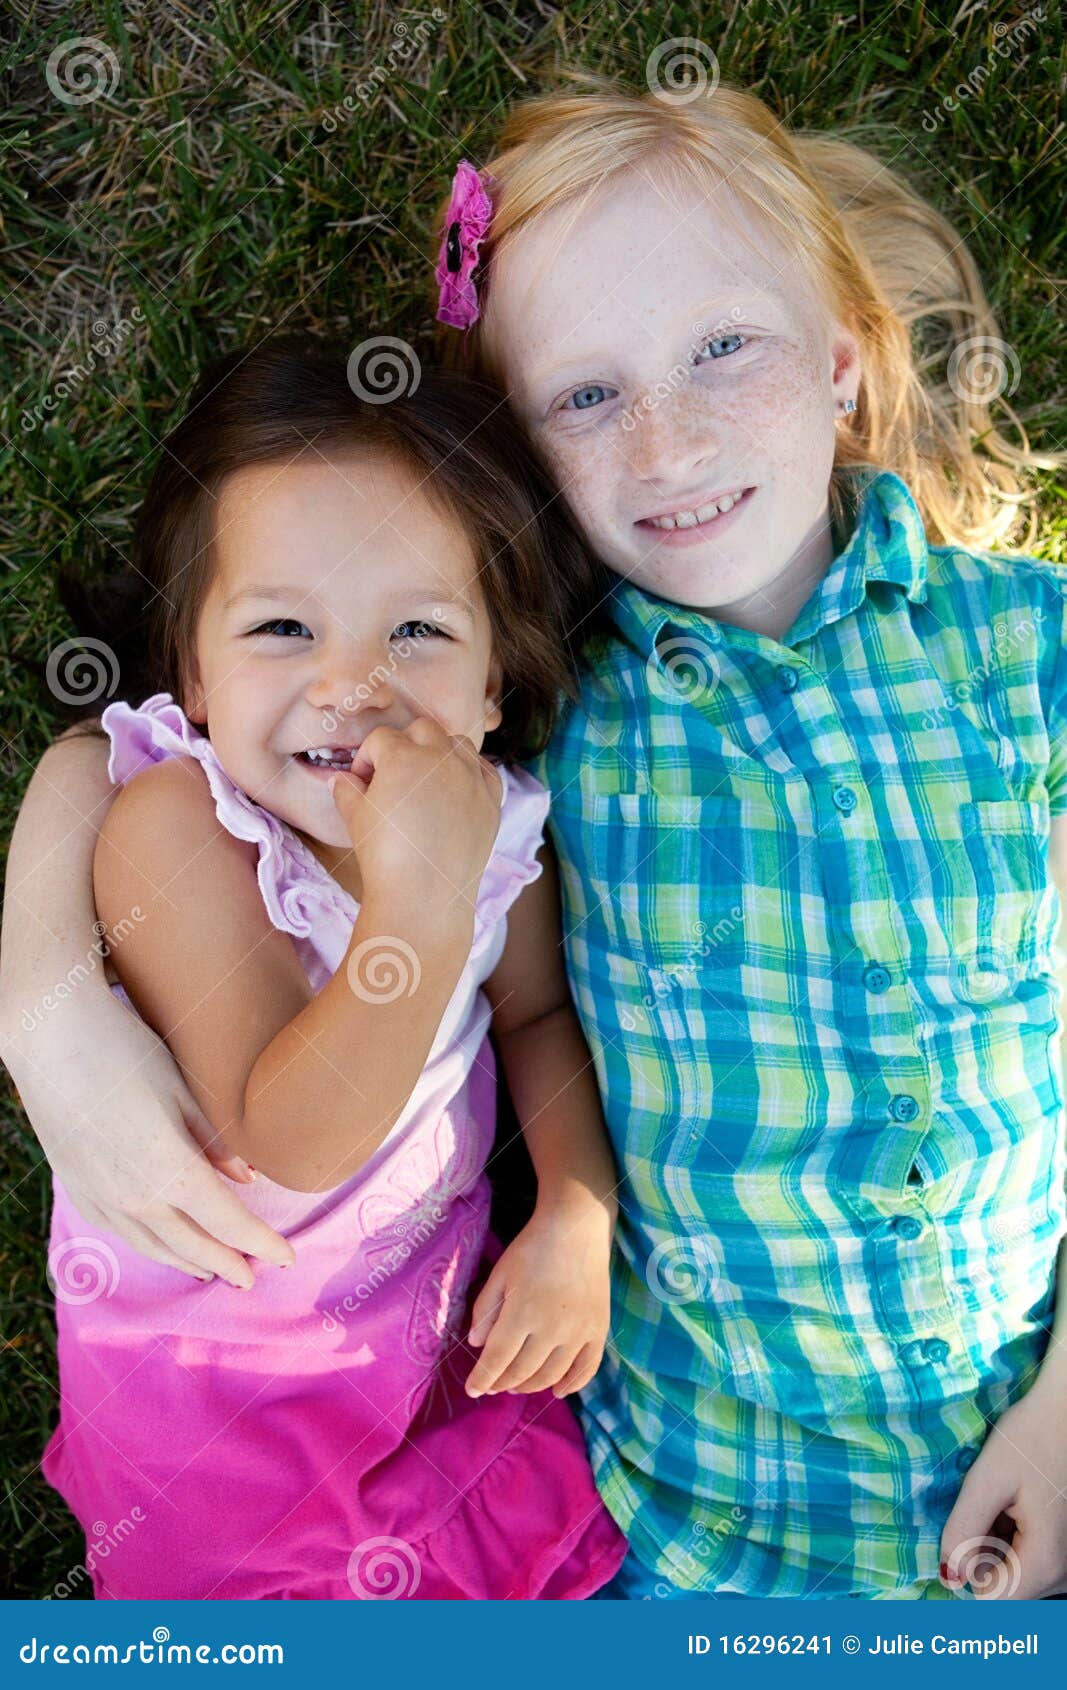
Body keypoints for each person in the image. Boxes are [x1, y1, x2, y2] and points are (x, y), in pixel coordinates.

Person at [6, 68, 1067, 1601]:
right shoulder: (533, 714)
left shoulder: (1027, 655)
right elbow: (130, 753)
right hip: (693, 1531)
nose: (667, 436)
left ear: (841, 363)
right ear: (518, 473)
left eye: (724, 348)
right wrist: (39, 1000)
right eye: (584, 394)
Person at [12, 338, 626, 1600]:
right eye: (284, 627)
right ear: (190, 668)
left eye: (417, 629)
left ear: (496, 682)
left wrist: (573, 1211)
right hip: (217, 1397)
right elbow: (290, 1133)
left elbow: (536, 1018)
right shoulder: (180, 834)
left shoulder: (493, 823)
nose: (352, 685)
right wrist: (417, 893)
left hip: (429, 1350)